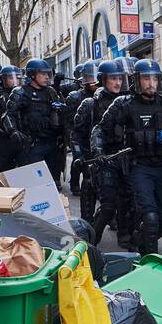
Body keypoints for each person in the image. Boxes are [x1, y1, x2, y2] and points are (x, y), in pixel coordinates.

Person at [93, 59, 162, 256]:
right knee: (151, 217)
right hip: (138, 167)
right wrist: (99, 152)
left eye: (155, 78)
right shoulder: (123, 104)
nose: (151, 83)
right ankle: (150, 263)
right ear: (137, 80)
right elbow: (100, 130)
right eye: (146, 78)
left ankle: (138, 241)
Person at [75, 60, 128, 244]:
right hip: (98, 160)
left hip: (123, 158)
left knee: (126, 201)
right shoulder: (90, 104)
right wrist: (81, 156)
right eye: (113, 79)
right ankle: (90, 241)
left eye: (120, 78)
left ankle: (125, 235)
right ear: (103, 80)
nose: (117, 83)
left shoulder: (127, 101)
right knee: (105, 206)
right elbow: (78, 134)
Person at [6, 58, 65, 170]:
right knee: (36, 180)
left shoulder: (51, 91)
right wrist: (13, 131)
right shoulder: (20, 92)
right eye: (43, 74)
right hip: (32, 145)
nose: (47, 77)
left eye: (48, 74)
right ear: (32, 75)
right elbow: (9, 115)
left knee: (52, 181)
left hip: (51, 143)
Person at [66, 61, 99, 212]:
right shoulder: (75, 96)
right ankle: (74, 184)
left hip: (96, 137)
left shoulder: (102, 96)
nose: (95, 81)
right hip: (80, 135)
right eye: (92, 77)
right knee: (79, 161)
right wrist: (71, 139)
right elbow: (70, 121)